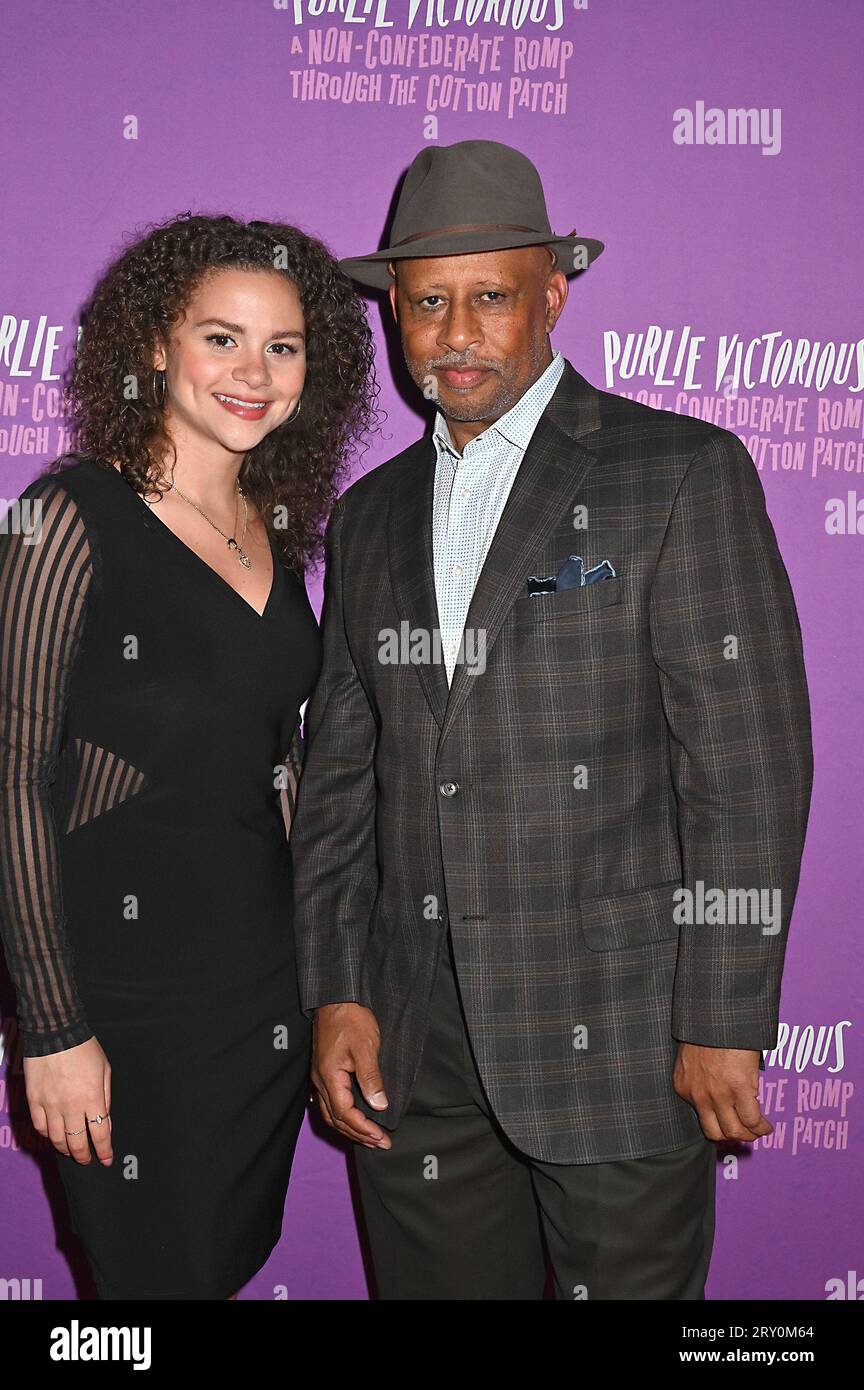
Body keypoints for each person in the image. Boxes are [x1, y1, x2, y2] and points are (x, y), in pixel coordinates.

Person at [289, 140, 814, 1299]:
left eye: (491, 296)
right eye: (428, 302)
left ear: (553, 296)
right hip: (417, 1053)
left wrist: (726, 1016)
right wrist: (338, 987)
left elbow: (748, 770)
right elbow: (339, 777)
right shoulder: (370, 517)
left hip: (622, 1046)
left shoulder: (675, 472)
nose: (457, 332)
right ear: (394, 315)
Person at [0, 212, 377, 1300]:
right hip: (124, 998)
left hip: (259, 990)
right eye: (221, 338)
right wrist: (56, 1026)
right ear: (157, 345)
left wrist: (328, 979)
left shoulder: (277, 526)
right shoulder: (65, 519)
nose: (252, 372)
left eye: (283, 345)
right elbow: (14, 775)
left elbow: (282, 768)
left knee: (214, 1268)